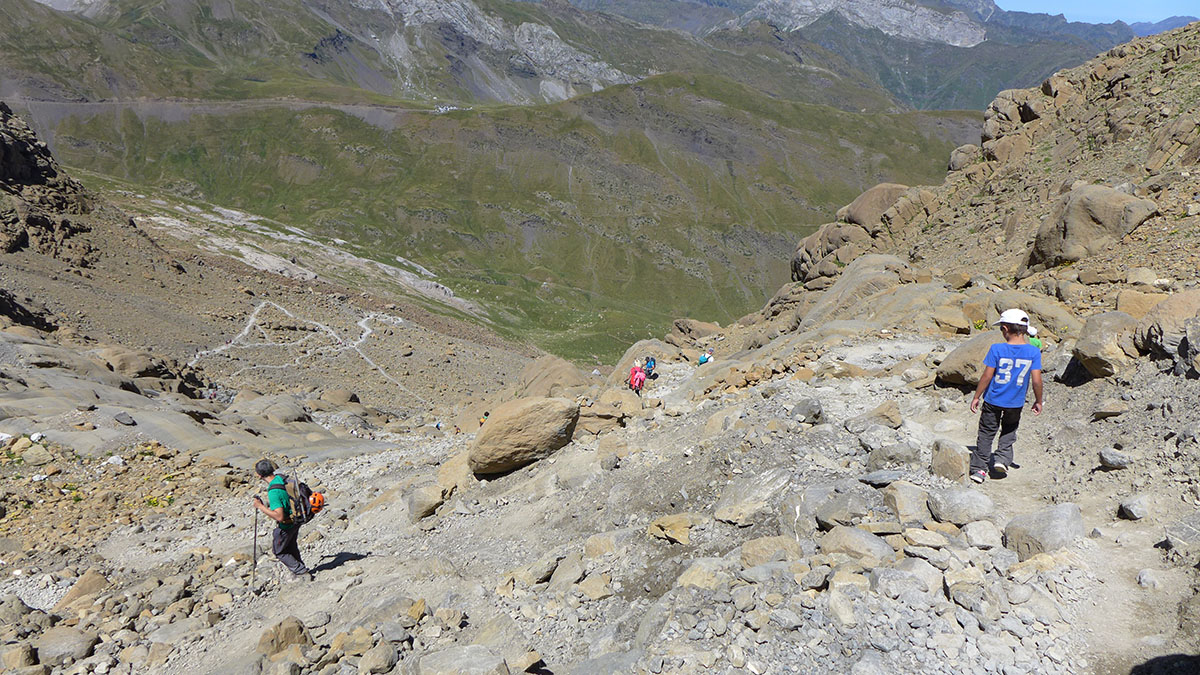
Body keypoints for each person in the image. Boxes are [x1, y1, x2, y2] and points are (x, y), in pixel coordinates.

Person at [969, 309, 1044, 484]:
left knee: (986, 433)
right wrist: (1038, 400)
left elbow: (987, 376)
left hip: (993, 400)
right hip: (1016, 402)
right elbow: (1037, 381)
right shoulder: (1034, 352)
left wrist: (976, 396)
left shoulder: (997, 349)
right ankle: (1002, 459)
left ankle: (979, 469)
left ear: (1005, 328)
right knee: (1009, 431)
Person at [251, 459, 311, 581]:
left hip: (287, 524)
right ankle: (301, 569)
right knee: (291, 546)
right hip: (297, 518)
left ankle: (301, 572)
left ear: (259, 475)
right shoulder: (281, 478)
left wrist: (260, 507)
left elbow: (279, 516)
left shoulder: (273, 491)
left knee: (279, 551)